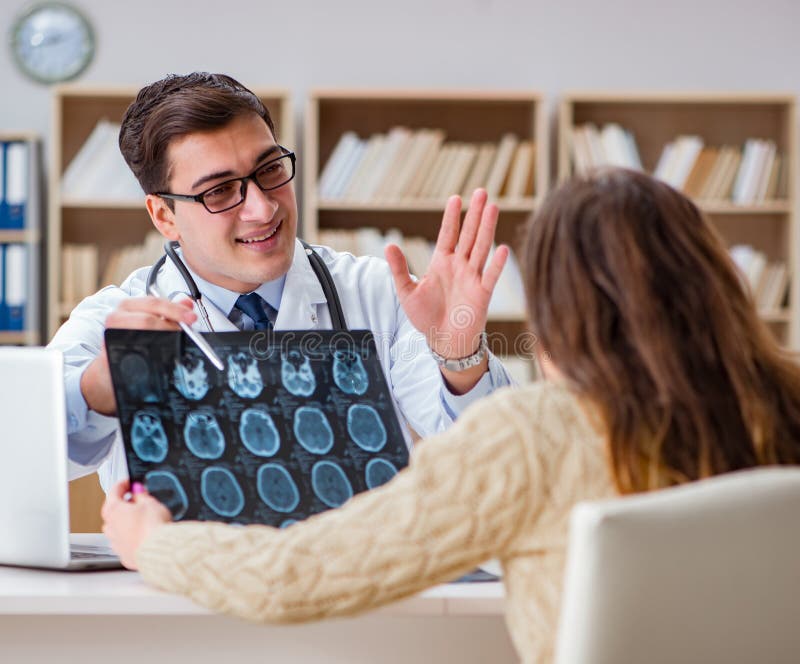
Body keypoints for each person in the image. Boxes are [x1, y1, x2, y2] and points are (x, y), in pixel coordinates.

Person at [103, 167, 800, 663]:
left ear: (560, 310)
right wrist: (456, 349)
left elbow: (296, 577)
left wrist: (152, 544)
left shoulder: (537, 435)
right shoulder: (788, 397)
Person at [47, 72, 513, 490]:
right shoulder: (115, 321)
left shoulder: (378, 294)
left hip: (356, 580)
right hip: (184, 584)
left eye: (269, 170)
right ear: (164, 216)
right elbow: (28, 455)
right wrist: (98, 390)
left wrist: (460, 357)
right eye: (220, 191)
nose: (264, 209)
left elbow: (491, 461)